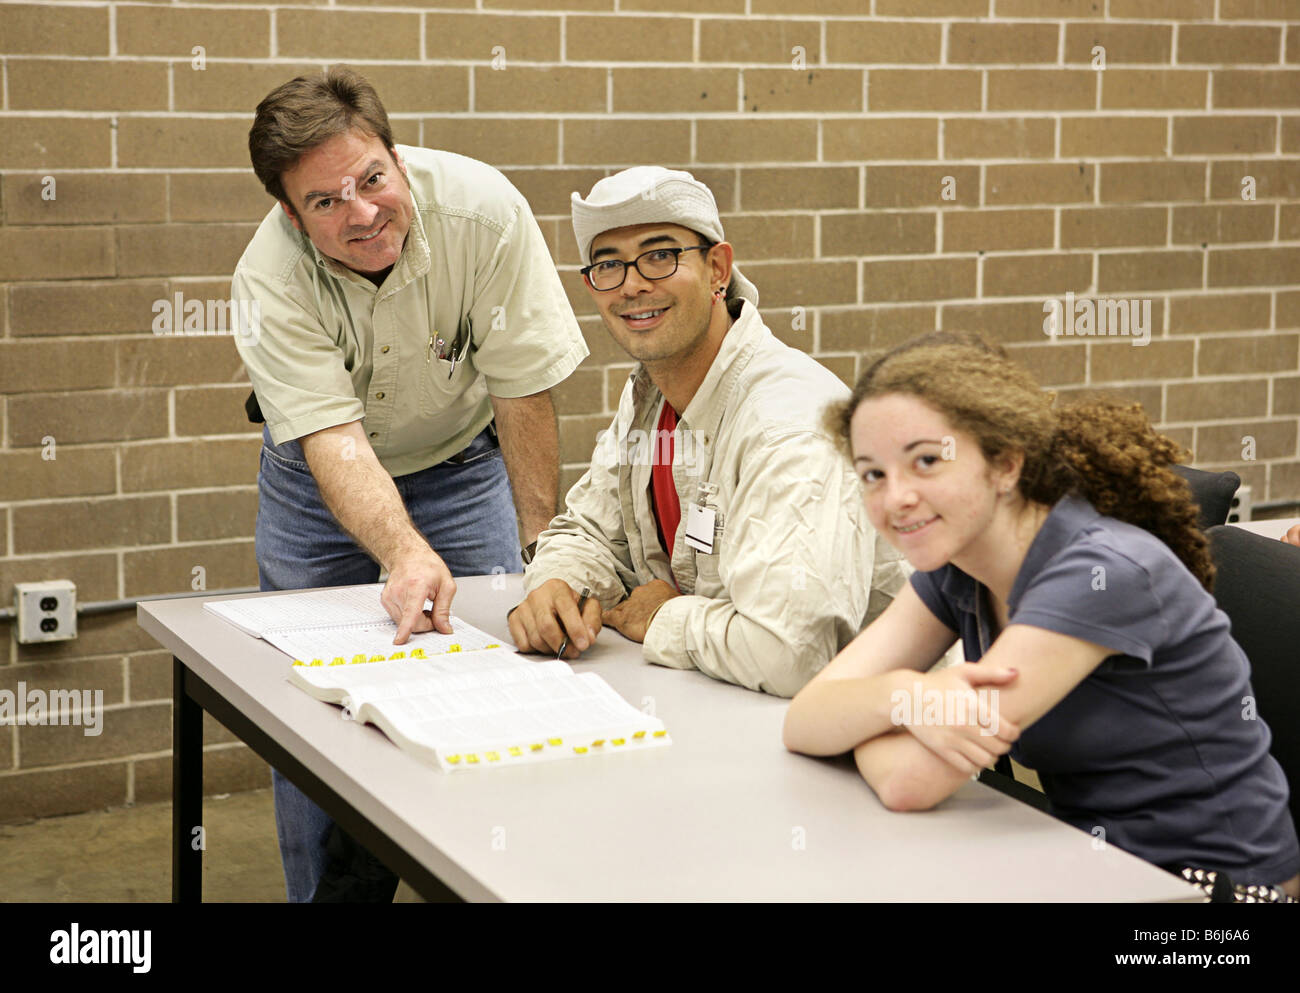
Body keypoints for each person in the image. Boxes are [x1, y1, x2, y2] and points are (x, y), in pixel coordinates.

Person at [231, 66, 587, 902]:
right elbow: (333, 437)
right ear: (290, 213)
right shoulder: (268, 280)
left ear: (396, 154)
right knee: (315, 711)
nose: (360, 212)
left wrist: (545, 552)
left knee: (485, 682)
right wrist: (400, 552)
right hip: (318, 490)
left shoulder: (485, 213)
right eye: (325, 202)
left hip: (463, 466)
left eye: (372, 179)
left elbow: (522, 389)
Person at [783, 331, 1300, 900]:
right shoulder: (959, 563)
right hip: (1086, 863)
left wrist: (868, 718)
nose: (895, 496)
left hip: (1212, 902)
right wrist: (905, 695)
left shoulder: (1097, 575)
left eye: (926, 461)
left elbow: (911, 781)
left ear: (1005, 464)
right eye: (872, 474)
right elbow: (804, 721)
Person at [507, 167, 907, 697]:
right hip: (726, 703)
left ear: (718, 268)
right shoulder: (650, 395)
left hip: (881, 735)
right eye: (609, 265)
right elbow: (589, 532)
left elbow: (792, 653)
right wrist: (556, 585)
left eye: (660, 255)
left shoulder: (790, 423)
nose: (633, 284)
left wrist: (667, 617)